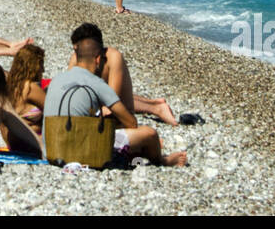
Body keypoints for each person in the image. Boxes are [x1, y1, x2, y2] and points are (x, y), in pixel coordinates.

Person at [45, 37, 186, 167]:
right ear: (98, 59)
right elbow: (131, 123)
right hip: (79, 153)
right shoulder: (96, 83)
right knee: (149, 134)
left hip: (52, 149)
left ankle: (137, 153)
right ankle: (163, 161)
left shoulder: (56, 80)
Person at [67, 23, 181, 125]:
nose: (77, 52)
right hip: (99, 101)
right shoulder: (76, 57)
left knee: (111, 97)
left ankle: (156, 107)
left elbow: (112, 99)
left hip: (115, 109)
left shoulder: (113, 57)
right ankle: (153, 104)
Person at [5, 44, 47, 135]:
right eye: (41, 65)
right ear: (33, 66)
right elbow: (54, 112)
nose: (43, 70)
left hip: (13, 143)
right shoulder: (30, 87)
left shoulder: (11, 84)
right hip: (29, 144)